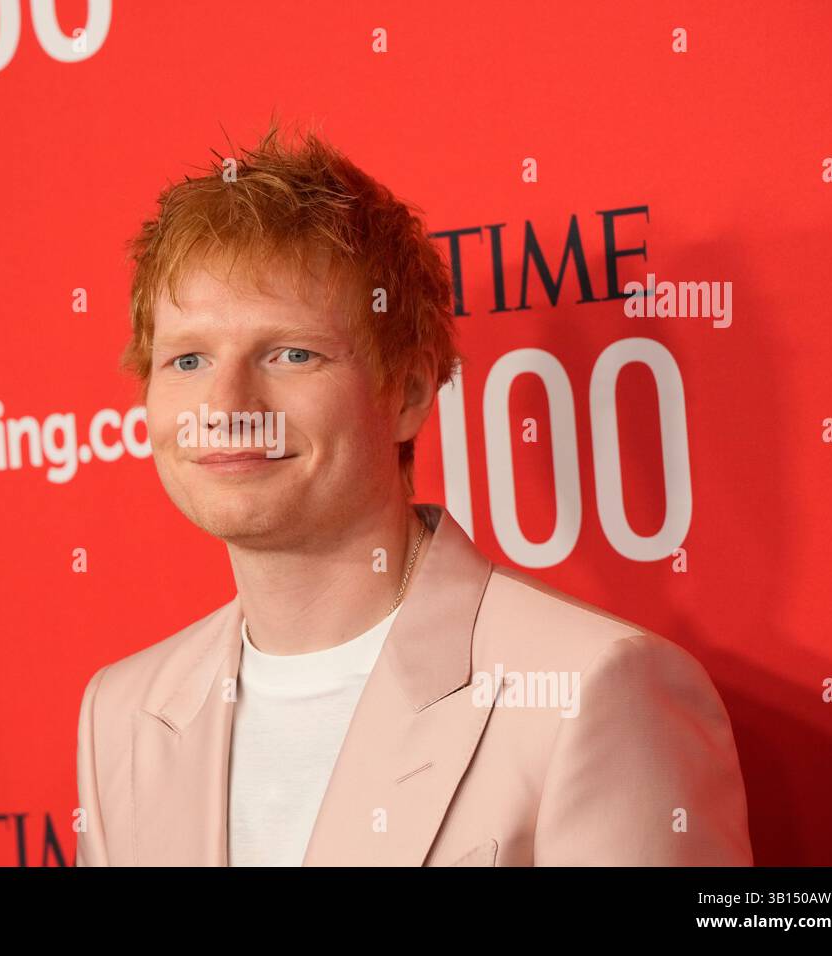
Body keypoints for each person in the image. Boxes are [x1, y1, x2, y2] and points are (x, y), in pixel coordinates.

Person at [74, 118, 752, 866]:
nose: (228, 404)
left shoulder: (592, 690)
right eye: (187, 361)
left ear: (410, 392)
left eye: (291, 353)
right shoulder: (123, 713)